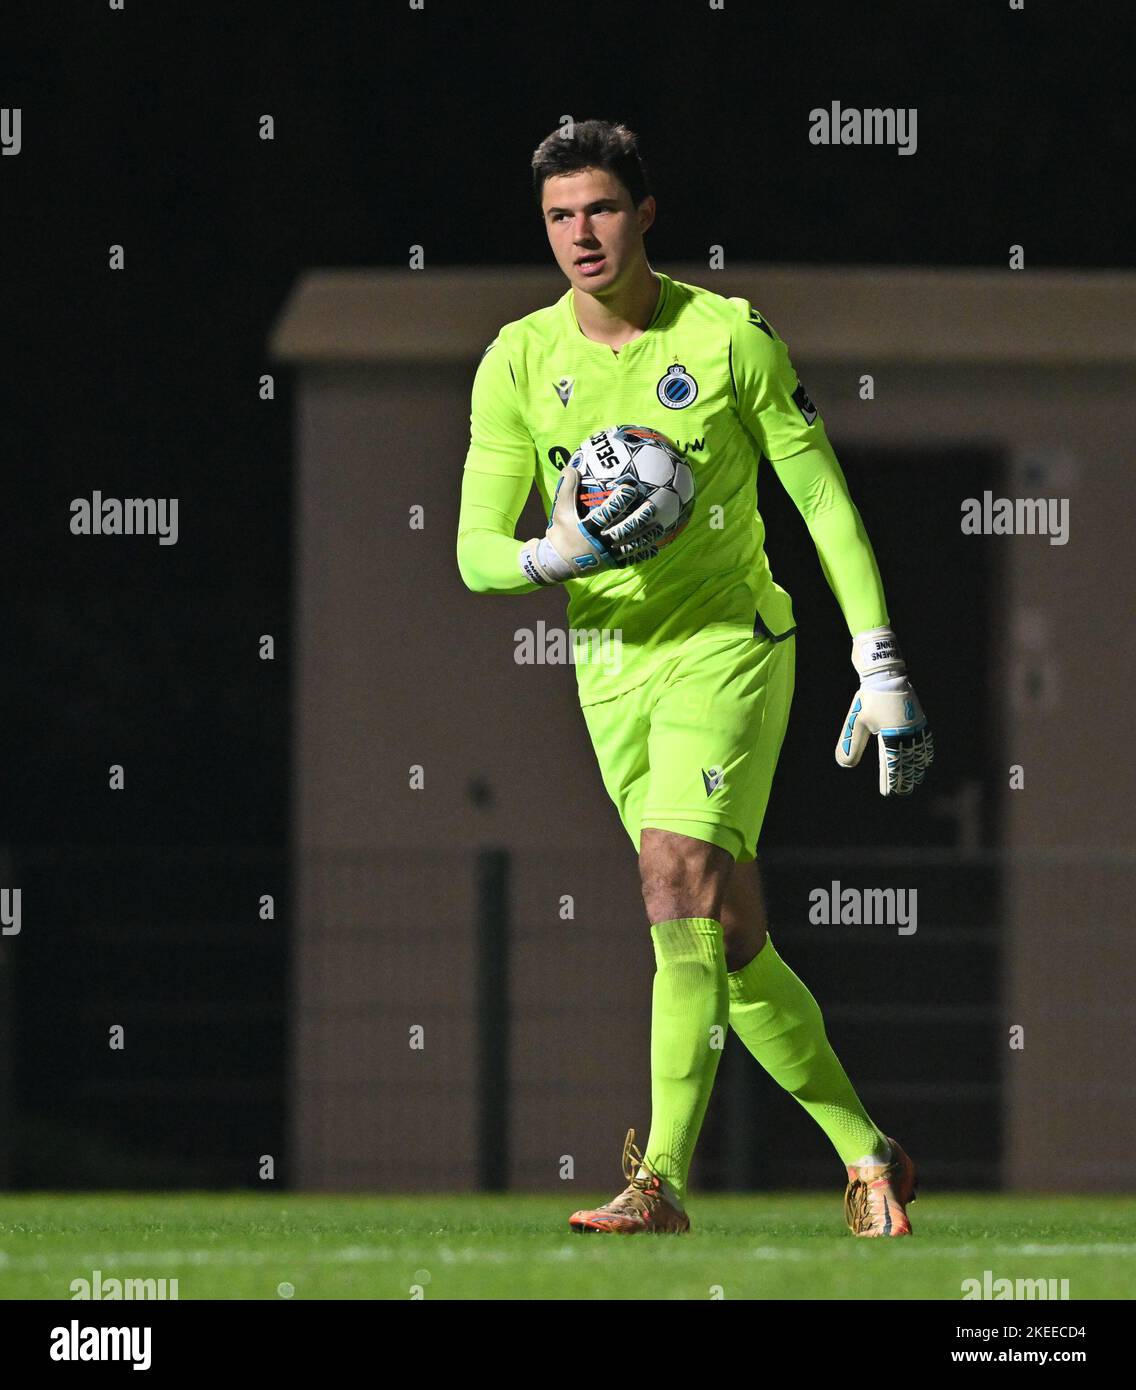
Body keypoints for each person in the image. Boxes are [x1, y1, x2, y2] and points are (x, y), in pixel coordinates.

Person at [456, 119, 933, 1236]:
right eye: (559, 215)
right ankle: (868, 1157)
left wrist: (878, 658)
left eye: (602, 209)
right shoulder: (517, 360)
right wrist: (547, 554)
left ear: (645, 213)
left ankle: (657, 1179)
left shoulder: (726, 338)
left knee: (672, 878)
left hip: (730, 646)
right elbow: (474, 551)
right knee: (727, 937)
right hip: (610, 669)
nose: (581, 233)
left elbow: (817, 498)